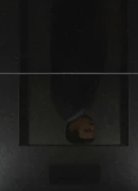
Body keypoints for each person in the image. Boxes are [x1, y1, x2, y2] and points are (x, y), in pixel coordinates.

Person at [49, 0, 106, 144]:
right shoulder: (72, 108)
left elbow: (73, 64)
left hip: (77, 32)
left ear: (72, 128)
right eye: (92, 130)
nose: (92, 126)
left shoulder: (70, 106)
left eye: (87, 130)